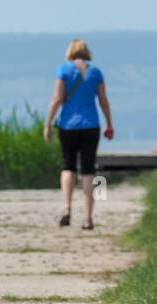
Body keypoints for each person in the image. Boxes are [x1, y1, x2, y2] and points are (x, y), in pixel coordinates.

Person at [44, 38, 113, 230]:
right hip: (91, 124)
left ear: (70, 52)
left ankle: (67, 209)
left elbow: (57, 99)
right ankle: (88, 218)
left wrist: (47, 123)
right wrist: (109, 123)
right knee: (89, 170)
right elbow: (103, 101)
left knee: (68, 166)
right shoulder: (96, 72)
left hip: (67, 125)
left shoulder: (63, 71)